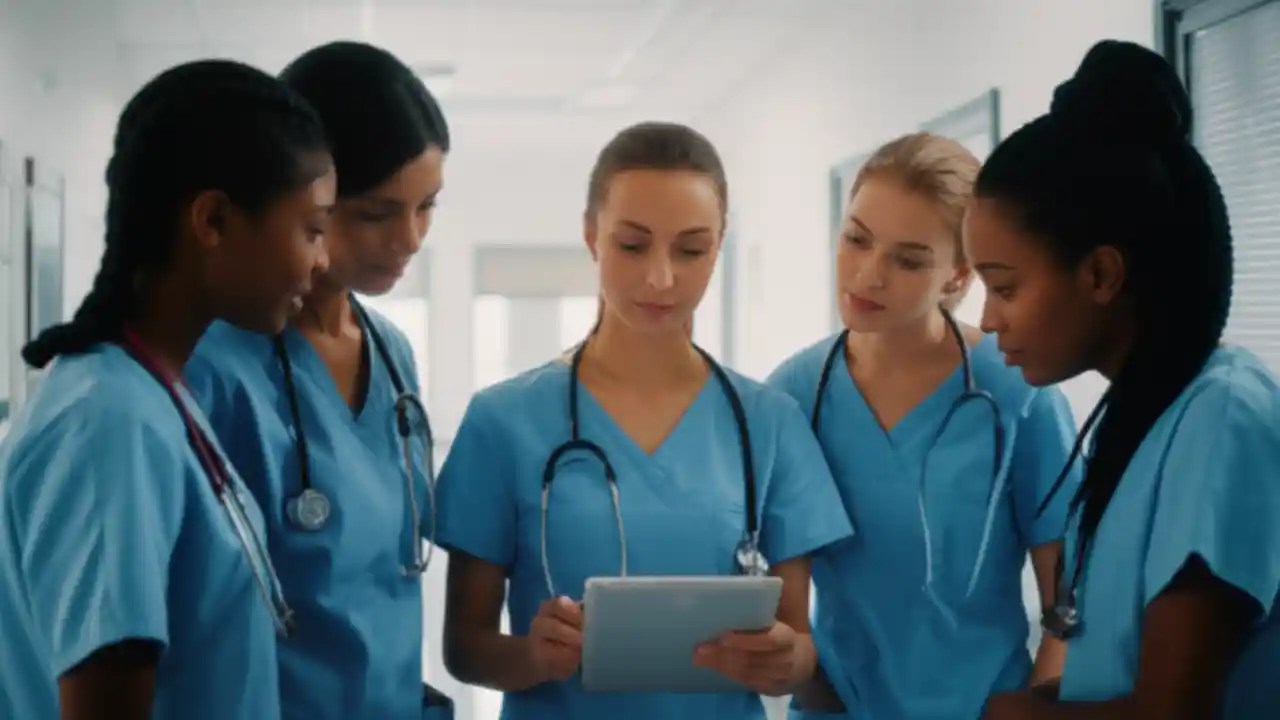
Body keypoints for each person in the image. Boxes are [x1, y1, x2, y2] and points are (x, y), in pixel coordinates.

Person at [437, 121, 853, 719]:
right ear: (591, 236)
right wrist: (533, 655)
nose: (661, 278)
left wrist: (788, 661)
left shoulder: (769, 424)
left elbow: (798, 648)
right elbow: (465, 649)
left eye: (690, 249)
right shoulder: (504, 421)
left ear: (719, 245)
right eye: (633, 245)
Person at [0, 60, 334, 720]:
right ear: (211, 220)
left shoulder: (157, 392)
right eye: (312, 229)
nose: (321, 261)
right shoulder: (109, 420)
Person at [971, 40, 1279, 719]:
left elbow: (1173, 710)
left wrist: (1021, 715)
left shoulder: (1222, 416)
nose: (987, 320)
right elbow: (1116, 665)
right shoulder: (1142, 417)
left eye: (1004, 286)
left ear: (1101, 274)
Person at [767, 132, 1080, 719]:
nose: (868, 275)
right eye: (856, 240)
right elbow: (787, 621)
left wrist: (1036, 709)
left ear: (958, 276)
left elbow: (1067, 603)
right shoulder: (792, 398)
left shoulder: (1016, 393)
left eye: (907, 259)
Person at [182, 41, 451, 720]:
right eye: (377, 212)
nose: (411, 237)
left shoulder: (393, 355)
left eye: (427, 208)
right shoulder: (210, 368)